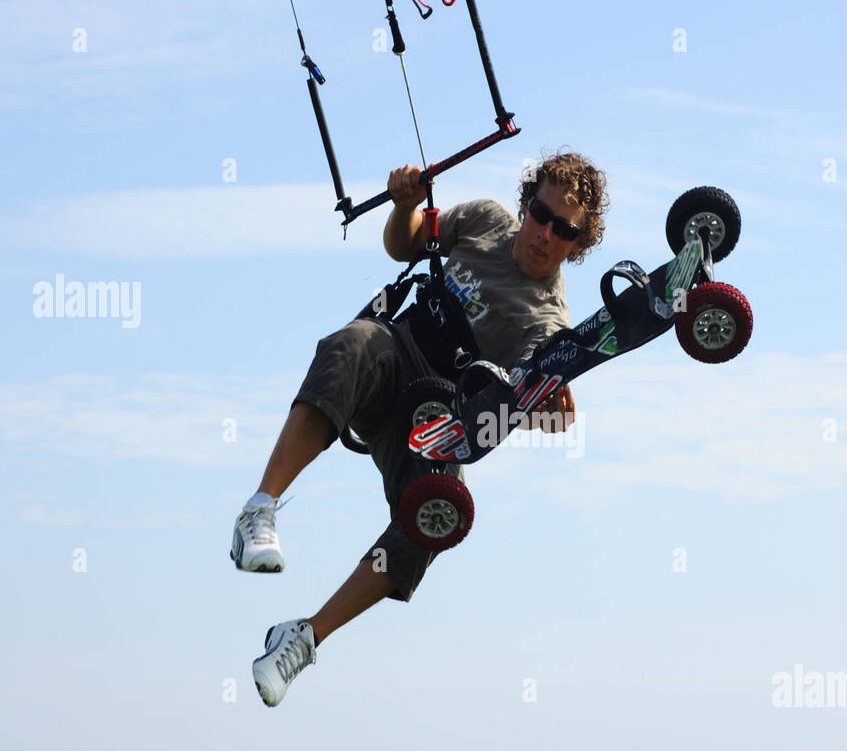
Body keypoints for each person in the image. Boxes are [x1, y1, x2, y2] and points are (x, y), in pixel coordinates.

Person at [231, 149, 609, 707]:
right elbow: (403, 244)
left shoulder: (546, 320)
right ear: (525, 204)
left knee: (438, 517)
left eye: (564, 230)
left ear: (577, 246)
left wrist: (551, 404)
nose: (544, 233)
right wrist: (406, 207)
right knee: (351, 344)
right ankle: (259, 510)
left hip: (431, 421)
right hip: (390, 356)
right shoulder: (483, 220)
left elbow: (553, 412)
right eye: (540, 213)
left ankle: (304, 637)